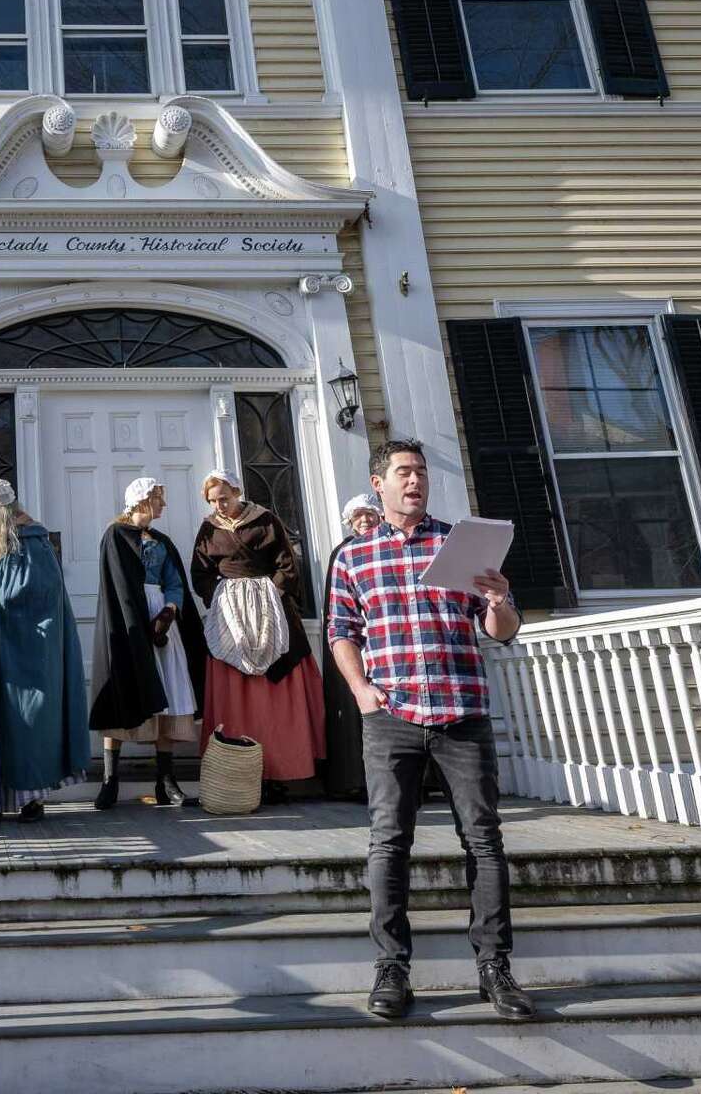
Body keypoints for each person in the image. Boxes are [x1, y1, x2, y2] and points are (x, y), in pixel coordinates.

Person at [326, 438, 532, 1023]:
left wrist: (496, 601)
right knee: (389, 841)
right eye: (403, 473)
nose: (415, 481)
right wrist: (362, 692)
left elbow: (503, 630)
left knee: (484, 839)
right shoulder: (352, 556)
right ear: (379, 485)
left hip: (461, 711)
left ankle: (495, 968)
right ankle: (392, 968)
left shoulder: (459, 545)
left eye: (420, 473)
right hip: (391, 716)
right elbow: (342, 632)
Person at [190, 469, 325, 800]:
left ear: (237, 491)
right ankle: (239, 773)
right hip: (230, 622)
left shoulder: (265, 520)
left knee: (275, 695)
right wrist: (224, 597)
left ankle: (281, 771)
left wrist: (267, 597)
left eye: (224, 498)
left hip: (273, 616)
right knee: (237, 698)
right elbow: (200, 573)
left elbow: (286, 565)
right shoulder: (209, 529)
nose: (219, 505)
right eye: (213, 501)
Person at [0, 479, 90, 823]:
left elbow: (42, 593)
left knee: (27, 719)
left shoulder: (32, 541)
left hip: (25, 649)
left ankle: (33, 799)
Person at [89, 477, 208, 810]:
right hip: (128, 621)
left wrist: (168, 613)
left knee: (167, 694)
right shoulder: (115, 536)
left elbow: (174, 580)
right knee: (123, 689)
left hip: (162, 624)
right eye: (158, 497)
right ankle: (110, 780)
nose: (163, 504)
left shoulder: (162, 541)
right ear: (141, 501)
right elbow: (118, 586)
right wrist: (138, 625)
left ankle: (165, 781)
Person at [319, 491, 382, 801]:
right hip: (358, 639)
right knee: (359, 708)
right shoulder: (344, 553)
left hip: (385, 639)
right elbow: (337, 609)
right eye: (358, 516)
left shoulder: (390, 547)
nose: (365, 520)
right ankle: (360, 779)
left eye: (369, 514)